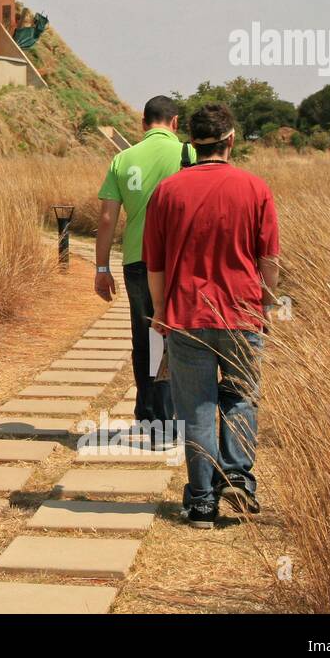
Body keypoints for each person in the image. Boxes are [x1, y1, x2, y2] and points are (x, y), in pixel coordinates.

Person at [143, 103, 280, 528]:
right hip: (241, 312)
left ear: (190, 143)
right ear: (231, 140)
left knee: (197, 408)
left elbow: (156, 265)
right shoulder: (255, 188)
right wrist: (266, 304)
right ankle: (238, 478)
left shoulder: (167, 192)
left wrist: (161, 312)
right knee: (240, 398)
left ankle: (201, 501)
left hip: (186, 315)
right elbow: (269, 258)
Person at [94, 95, 193, 423]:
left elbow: (107, 219)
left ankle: (150, 411)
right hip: (181, 260)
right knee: (179, 335)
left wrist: (102, 267)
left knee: (146, 335)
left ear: (143, 123)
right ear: (175, 122)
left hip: (137, 260)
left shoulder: (123, 159)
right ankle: (173, 412)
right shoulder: (189, 154)